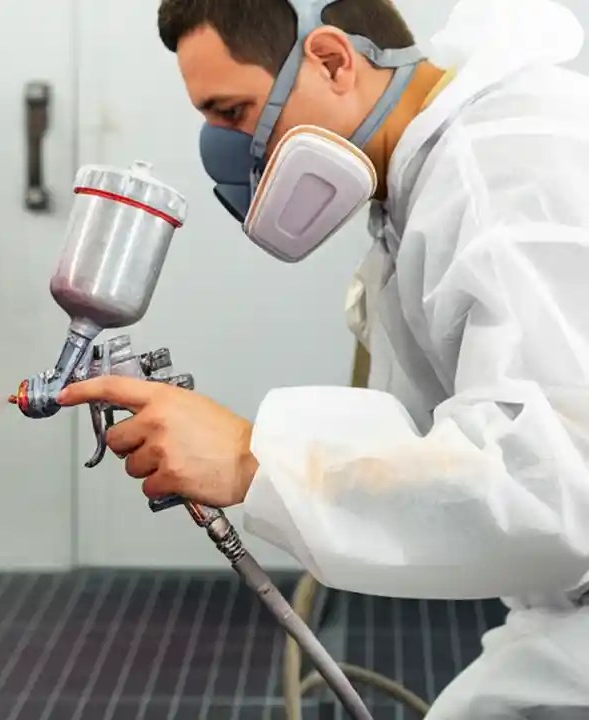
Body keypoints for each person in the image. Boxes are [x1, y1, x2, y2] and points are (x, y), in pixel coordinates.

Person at [57, 0, 589, 716]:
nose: (223, 151)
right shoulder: (431, 176)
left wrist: (255, 458)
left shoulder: (498, 174)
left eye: (234, 112)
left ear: (335, 61)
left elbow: (557, 478)